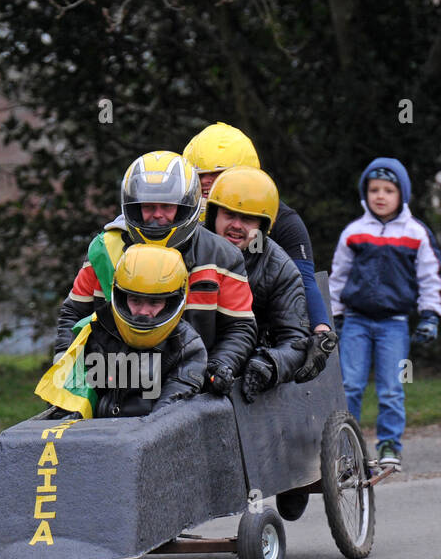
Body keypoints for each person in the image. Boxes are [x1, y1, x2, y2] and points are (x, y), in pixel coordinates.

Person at [56, 150, 256, 395]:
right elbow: (73, 313)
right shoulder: (105, 249)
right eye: (148, 207)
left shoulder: (222, 256)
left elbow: (240, 328)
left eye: (167, 207)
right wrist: (64, 370)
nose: (157, 215)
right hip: (114, 385)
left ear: (185, 207)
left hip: (196, 387)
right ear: (132, 207)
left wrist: (219, 366)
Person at [183, 122, 334, 380]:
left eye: (216, 175)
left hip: (259, 325)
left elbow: (301, 281)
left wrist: (321, 331)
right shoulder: (181, 215)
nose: (206, 184)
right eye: (199, 176)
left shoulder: (285, 224)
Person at [329, 157, 441, 472]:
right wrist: (335, 315)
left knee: (391, 386)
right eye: (374, 189)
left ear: (402, 194)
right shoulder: (354, 232)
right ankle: (346, 447)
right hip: (355, 322)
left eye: (388, 190)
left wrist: (430, 315)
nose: (380, 196)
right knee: (350, 384)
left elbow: (429, 276)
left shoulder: (415, 233)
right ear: (365, 193)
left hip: (394, 325)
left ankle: (389, 443)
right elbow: (339, 276)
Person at [37, 244, 207, 418]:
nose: (142, 312)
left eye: (154, 303)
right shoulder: (94, 331)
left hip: (149, 439)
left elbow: (167, 418)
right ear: (121, 296)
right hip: (94, 437)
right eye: (135, 300)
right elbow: (67, 402)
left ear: (172, 301)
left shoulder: (188, 348)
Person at [203, 166, 312, 402]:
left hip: (246, 374)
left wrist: (269, 365)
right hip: (192, 363)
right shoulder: (190, 248)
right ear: (213, 215)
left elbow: (297, 340)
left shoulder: (281, 268)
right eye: (229, 214)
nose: (237, 225)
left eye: (248, 219)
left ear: (263, 226)